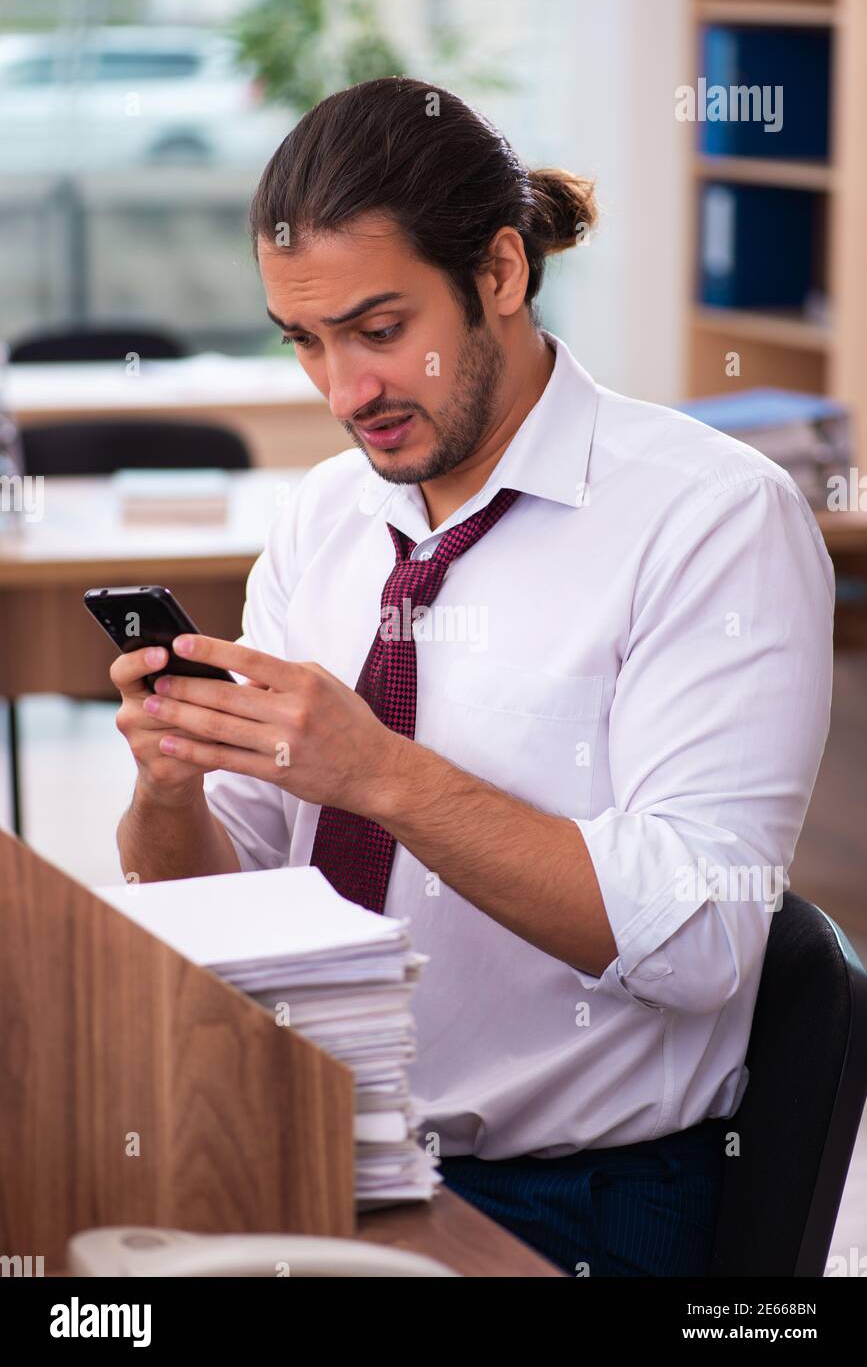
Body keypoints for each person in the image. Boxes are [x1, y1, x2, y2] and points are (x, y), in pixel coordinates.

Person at [113, 77, 834, 1276]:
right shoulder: (326, 516)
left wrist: (379, 775)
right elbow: (222, 903)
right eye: (305, 341)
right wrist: (171, 786)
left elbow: (706, 937)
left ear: (501, 272)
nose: (345, 393)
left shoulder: (713, 519)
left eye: (380, 330)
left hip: (574, 1203)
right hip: (314, 1140)